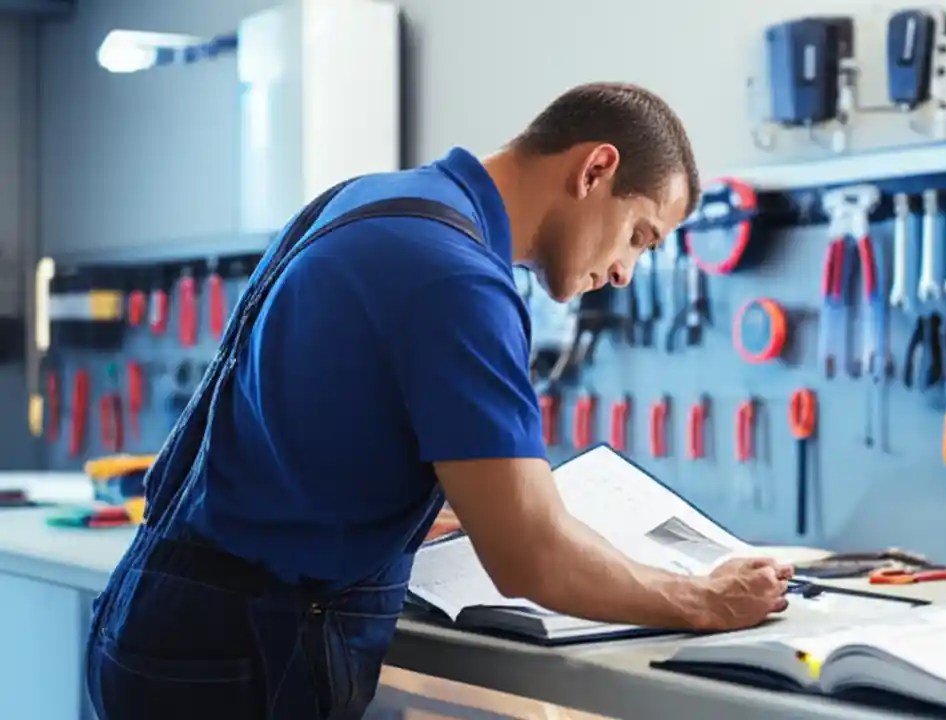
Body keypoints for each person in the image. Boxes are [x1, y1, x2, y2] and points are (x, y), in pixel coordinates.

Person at [84, 82, 794, 720]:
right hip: (241, 663)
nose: (622, 271)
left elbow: (295, 431)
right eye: (639, 236)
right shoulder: (457, 279)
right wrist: (705, 600)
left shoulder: (368, 200)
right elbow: (533, 558)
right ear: (595, 169)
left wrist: (417, 506)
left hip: (163, 620)